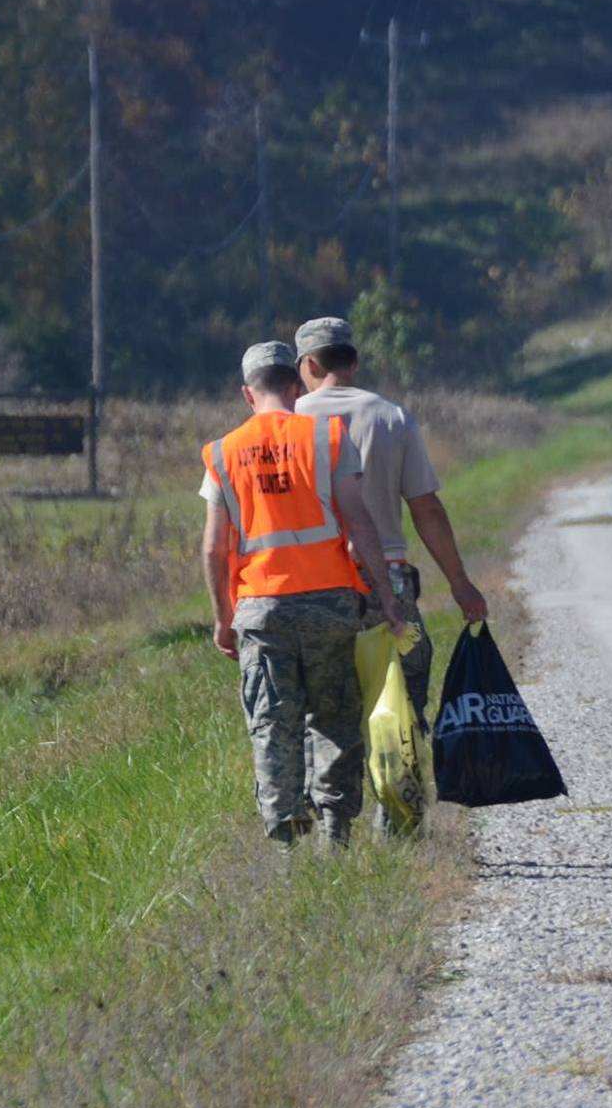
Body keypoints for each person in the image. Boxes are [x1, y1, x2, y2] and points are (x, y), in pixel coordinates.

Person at [201, 340, 407, 846]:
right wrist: (387, 596)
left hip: (259, 610)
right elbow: (360, 524)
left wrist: (223, 616)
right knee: (334, 716)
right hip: (330, 603)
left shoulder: (221, 453)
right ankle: (335, 832)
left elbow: (213, 549)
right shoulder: (327, 438)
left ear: (247, 394)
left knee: (273, 721)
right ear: (296, 386)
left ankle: (285, 839)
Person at [295, 315, 489, 762]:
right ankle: (398, 810)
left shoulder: (289, 423)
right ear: (354, 361)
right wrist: (461, 584)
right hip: (389, 582)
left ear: (307, 365)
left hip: (313, 584)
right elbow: (427, 509)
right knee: (402, 694)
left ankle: (332, 815)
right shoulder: (391, 417)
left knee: (324, 706)